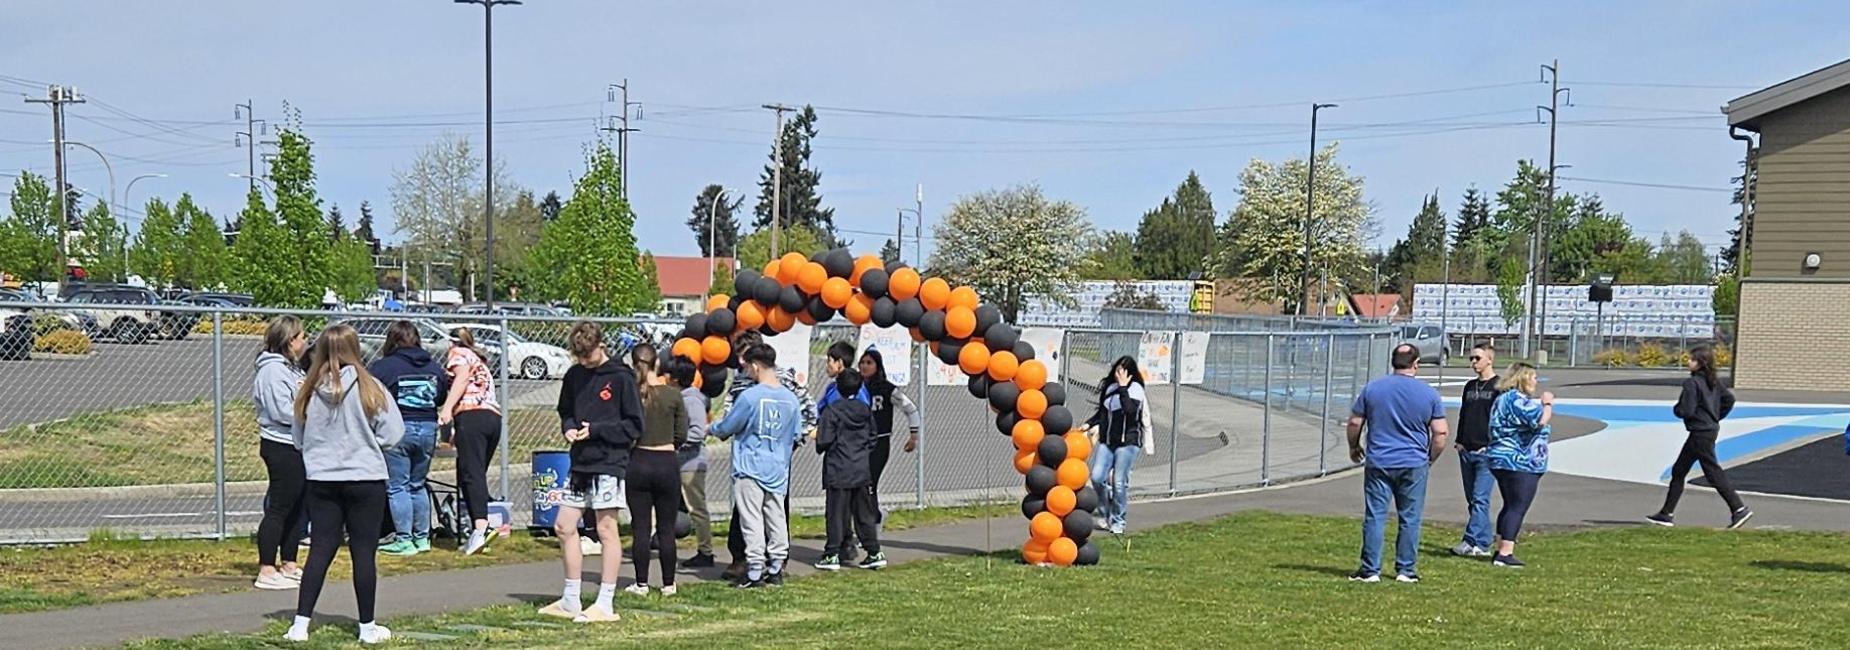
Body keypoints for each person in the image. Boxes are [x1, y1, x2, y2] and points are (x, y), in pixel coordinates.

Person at [284, 324, 406, 644]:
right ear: (356, 349)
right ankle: (367, 627)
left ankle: (300, 624)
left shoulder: (308, 390)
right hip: (365, 477)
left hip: (322, 478)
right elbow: (393, 433)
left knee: (321, 550)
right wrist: (369, 443)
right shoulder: (370, 386)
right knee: (363, 553)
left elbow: (297, 438)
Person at [538, 321, 642, 623]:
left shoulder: (621, 378)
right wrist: (569, 428)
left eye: (589, 357)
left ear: (601, 347)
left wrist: (596, 430)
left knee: (606, 529)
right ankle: (571, 598)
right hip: (580, 462)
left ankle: (605, 602)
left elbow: (634, 425)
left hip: (610, 461)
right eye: (580, 357)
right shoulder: (574, 375)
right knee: (564, 526)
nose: (585, 362)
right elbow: (566, 411)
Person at [718, 331, 817, 582]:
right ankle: (748, 560)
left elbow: (806, 410)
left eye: (745, 357)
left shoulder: (783, 383)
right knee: (747, 512)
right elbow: (731, 413)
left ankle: (768, 565)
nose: (742, 364)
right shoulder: (742, 383)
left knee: (770, 512)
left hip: (768, 457)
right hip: (756, 456)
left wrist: (794, 440)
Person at [1345, 344, 1448, 584]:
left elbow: (1354, 422)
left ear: (1393, 362)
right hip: (1413, 461)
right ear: (1416, 363)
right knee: (1410, 517)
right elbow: (1440, 432)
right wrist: (1430, 457)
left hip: (1380, 460)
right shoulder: (1428, 393)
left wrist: (1354, 446)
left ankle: (1370, 569)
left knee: (1375, 515)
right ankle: (1406, 570)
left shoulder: (1373, 388)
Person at [1648, 345, 1753, 529]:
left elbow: (1686, 410)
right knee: (1679, 470)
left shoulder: (1692, 383)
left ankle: (1738, 508)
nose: (1688, 362)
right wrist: (1715, 415)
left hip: (1700, 432)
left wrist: (1678, 410)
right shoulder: (1713, 381)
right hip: (1708, 430)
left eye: (1692, 359)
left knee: (1712, 472)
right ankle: (1666, 513)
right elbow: (1729, 400)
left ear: (1700, 363)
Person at [369, 321, 445, 556]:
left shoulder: (383, 368)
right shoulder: (434, 367)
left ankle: (404, 538)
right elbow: (441, 396)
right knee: (417, 484)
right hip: (428, 427)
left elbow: (371, 397)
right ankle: (422, 537)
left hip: (399, 429)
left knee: (397, 485)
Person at [624, 343, 689, 597]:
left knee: (640, 527)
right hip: (666, 462)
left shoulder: (632, 394)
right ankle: (669, 584)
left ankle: (641, 583)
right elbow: (681, 434)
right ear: (657, 364)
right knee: (666, 528)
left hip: (638, 461)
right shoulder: (673, 395)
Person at [253, 315, 308, 591]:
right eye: (301, 337)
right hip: (280, 444)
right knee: (280, 507)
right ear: (289, 341)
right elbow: (280, 411)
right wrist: (309, 414)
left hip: (297, 443)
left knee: (298, 506)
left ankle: (289, 563)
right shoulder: (272, 371)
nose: (305, 342)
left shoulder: (293, 369)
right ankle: (266, 568)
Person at [814, 370, 886, 571]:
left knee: (836, 513)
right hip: (861, 468)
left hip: (838, 468)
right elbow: (873, 436)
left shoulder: (832, 410)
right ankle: (874, 551)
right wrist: (861, 451)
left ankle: (832, 553)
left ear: (838, 386)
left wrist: (821, 442)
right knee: (863, 513)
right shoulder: (864, 410)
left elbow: (824, 440)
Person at [439, 326, 502, 555]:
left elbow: (462, 378)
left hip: (472, 415)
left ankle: (480, 527)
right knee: (469, 474)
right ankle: (474, 526)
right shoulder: (479, 360)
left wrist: (446, 410)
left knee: (471, 474)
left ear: (450, 343)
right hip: (492, 418)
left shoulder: (458, 354)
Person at [1485, 363, 1554, 568]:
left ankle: (1500, 546)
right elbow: (1540, 420)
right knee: (1517, 506)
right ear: (1522, 379)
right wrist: (1547, 404)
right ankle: (1505, 552)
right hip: (1519, 461)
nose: (1535, 382)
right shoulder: (1518, 400)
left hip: (1501, 458)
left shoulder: (1502, 399)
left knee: (1509, 505)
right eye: (1532, 377)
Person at [1086, 356, 1156, 535]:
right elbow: (1103, 413)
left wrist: (1124, 387)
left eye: (1123, 371)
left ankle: (1119, 521)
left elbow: (1130, 412)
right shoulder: (1110, 389)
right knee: (1096, 477)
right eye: (1117, 371)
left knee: (1119, 482)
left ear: (1130, 373)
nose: (1119, 375)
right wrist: (1088, 424)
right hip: (1108, 441)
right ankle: (1105, 512)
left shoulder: (1135, 390)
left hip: (1128, 443)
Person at [1451, 343, 1501, 558]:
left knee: (1481, 498)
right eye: (1471, 358)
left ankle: (1470, 540)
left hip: (1486, 451)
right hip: (1467, 449)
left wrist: (1491, 444)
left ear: (1489, 360)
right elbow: (1464, 415)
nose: (1473, 363)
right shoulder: (1470, 386)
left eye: (1477, 358)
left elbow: (1501, 419)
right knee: (1473, 499)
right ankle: (1484, 540)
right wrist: (1459, 441)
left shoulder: (1499, 386)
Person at [858, 348, 919, 513]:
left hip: (879, 441)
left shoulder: (886, 388)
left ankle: (873, 520)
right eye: (862, 363)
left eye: (869, 363)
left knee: (870, 482)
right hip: (858, 442)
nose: (865, 366)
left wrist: (913, 436)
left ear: (878, 366)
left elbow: (911, 409)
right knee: (859, 484)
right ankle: (868, 521)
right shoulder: (855, 386)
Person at [672, 357, 717, 570]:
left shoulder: (692, 401)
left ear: (675, 378)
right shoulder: (679, 397)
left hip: (690, 462)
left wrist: (675, 443)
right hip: (677, 461)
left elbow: (698, 432)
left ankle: (705, 551)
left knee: (696, 507)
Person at [818, 341, 871, 411]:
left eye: (829, 361)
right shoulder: (832, 387)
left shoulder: (857, 387)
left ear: (840, 362)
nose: (827, 365)